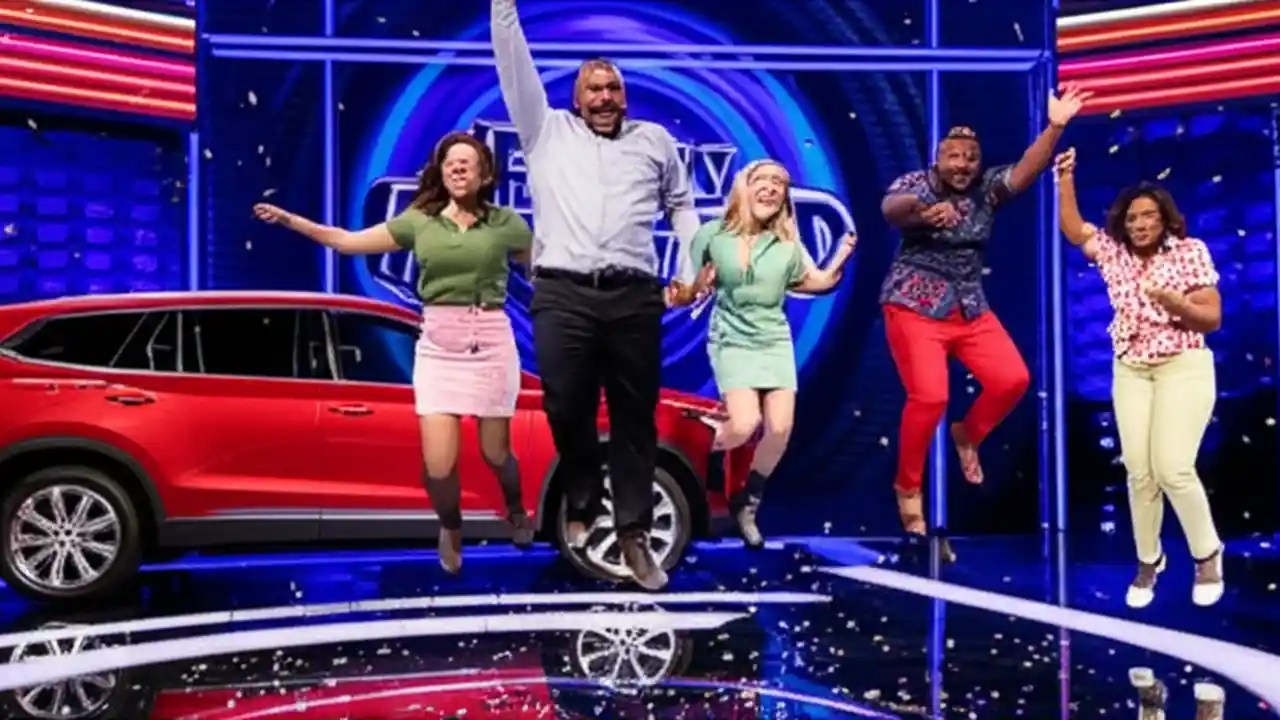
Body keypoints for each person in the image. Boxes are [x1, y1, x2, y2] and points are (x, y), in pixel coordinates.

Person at [490, 0, 704, 590]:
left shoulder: (655, 140)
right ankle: (581, 494)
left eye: (613, 87)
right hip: (563, 292)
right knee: (566, 405)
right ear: (576, 97)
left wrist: (690, 268)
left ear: (624, 95)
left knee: (636, 419)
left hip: (635, 295)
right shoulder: (545, 131)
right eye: (594, 88)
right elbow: (513, 60)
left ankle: (634, 535)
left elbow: (683, 208)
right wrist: (502, 7)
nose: (605, 96)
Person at [252, 131, 535, 575]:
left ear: (484, 173)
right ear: (441, 173)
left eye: (467, 162)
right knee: (438, 466)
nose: (458, 168)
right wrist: (291, 220)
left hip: (491, 343)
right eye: (450, 162)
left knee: (495, 452)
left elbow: (539, 263)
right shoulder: (418, 221)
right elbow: (346, 241)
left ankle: (517, 509)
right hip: (441, 347)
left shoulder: (506, 223)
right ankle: (451, 524)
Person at [878, 85, 1091, 543]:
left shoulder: (987, 190)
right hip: (913, 304)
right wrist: (924, 212)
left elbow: (1027, 170)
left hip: (970, 306)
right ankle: (908, 488)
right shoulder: (917, 185)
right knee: (930, 397)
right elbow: (891, 208)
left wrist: (1055, 126)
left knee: (1013, 380)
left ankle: (967, 434)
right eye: (953, 156)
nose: (962, 164)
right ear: (938, 159)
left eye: (970, 157)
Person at [1055, 147, 1225, 608]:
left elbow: (1211, 318)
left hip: (1182, 365)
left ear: (1165, 219)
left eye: (1148, 217)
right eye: (1132, 219)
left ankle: (1207, 555)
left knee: (1173, 468)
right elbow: (1073, 230)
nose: (1139, 225)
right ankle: (1149, 562)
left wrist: (1179, 306)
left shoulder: (1190, 253)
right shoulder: (1114, 253)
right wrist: (1065, 177)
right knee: (1139, 473)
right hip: (1131, 368)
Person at [674, 159, 856, 547]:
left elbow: (817, 282)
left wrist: (840, 257)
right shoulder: (711, 236)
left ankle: (747, 501)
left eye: (780, 184)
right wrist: (691, 290)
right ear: (745, 185)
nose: (772, 188)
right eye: (764, 180)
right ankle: (697, 452)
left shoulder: (789, 246)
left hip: (773, 340)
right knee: (743, 424)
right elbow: (689, 289)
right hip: (732, 338)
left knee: (780, 429)